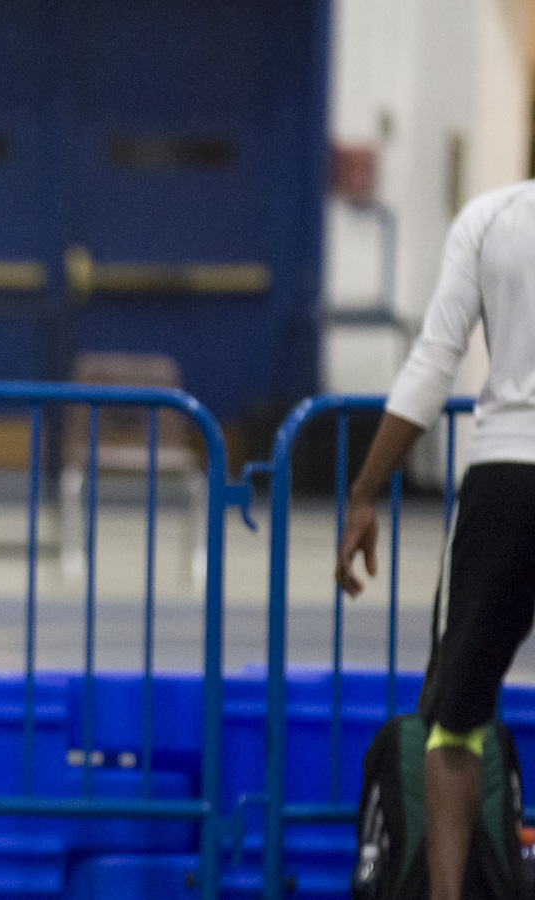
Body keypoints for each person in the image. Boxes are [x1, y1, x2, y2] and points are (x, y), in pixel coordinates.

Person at [336, 179, 535, 900]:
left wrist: (364, 491)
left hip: (504, 481)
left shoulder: (491, 218)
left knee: (454, 721)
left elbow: (432, 364)